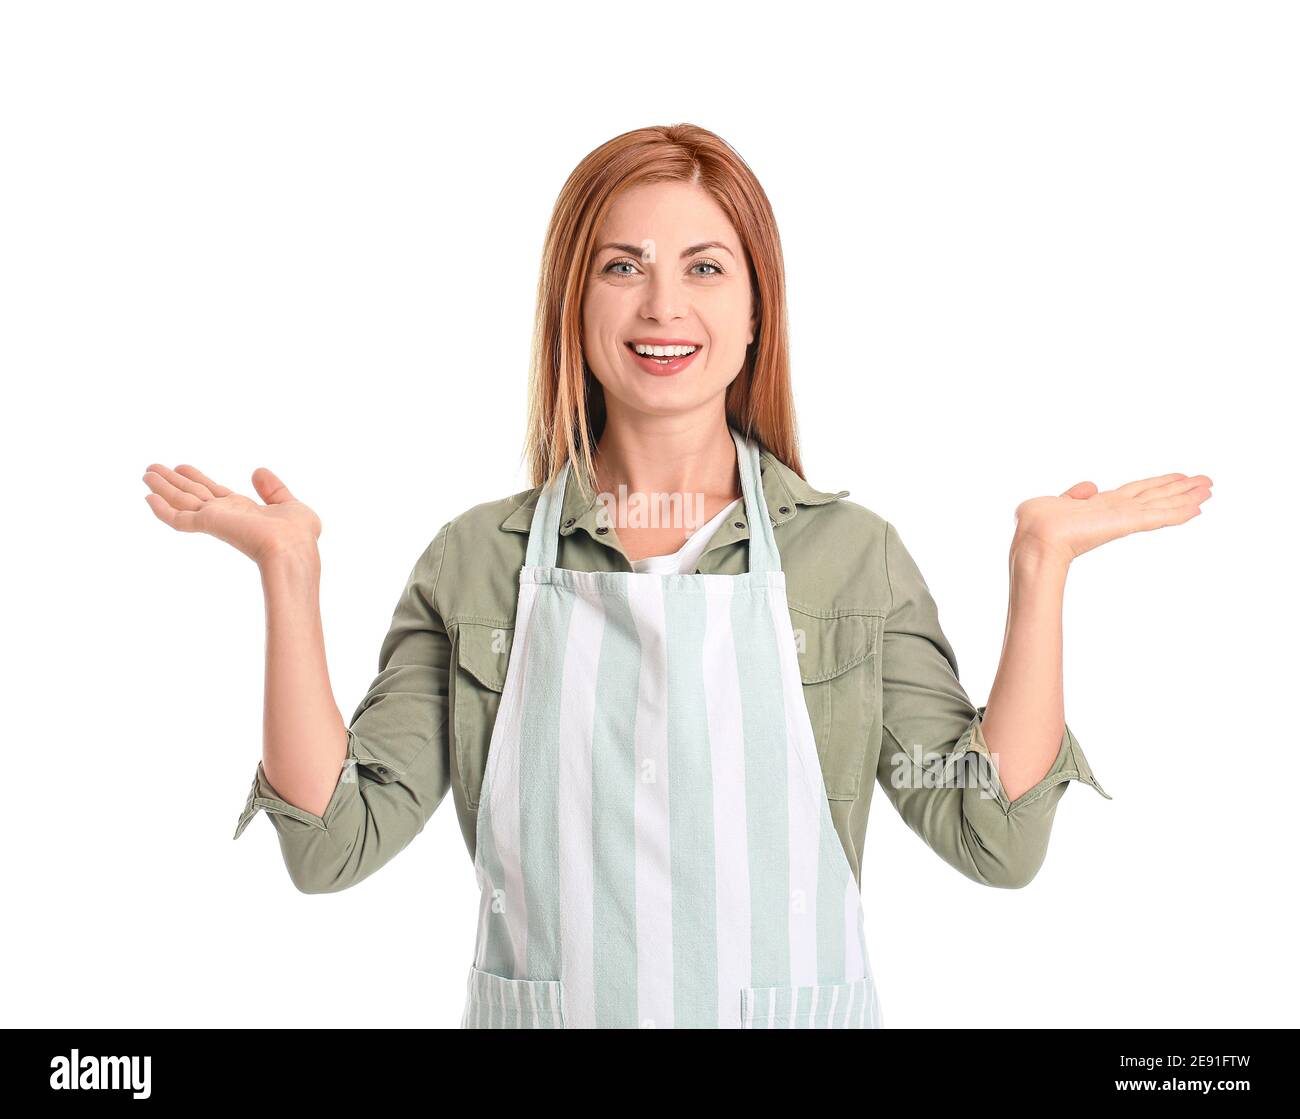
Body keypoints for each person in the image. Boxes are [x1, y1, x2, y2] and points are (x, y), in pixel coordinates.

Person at [141, 123, 1212, 1029]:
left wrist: (1040, 572)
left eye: (705, 267)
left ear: (755, 312)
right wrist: (289, 573)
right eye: (621, 266)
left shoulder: (850, 558)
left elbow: (994, 836)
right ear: (573, 302)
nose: (663, 306)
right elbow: (332, 847)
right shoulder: (477, 565)